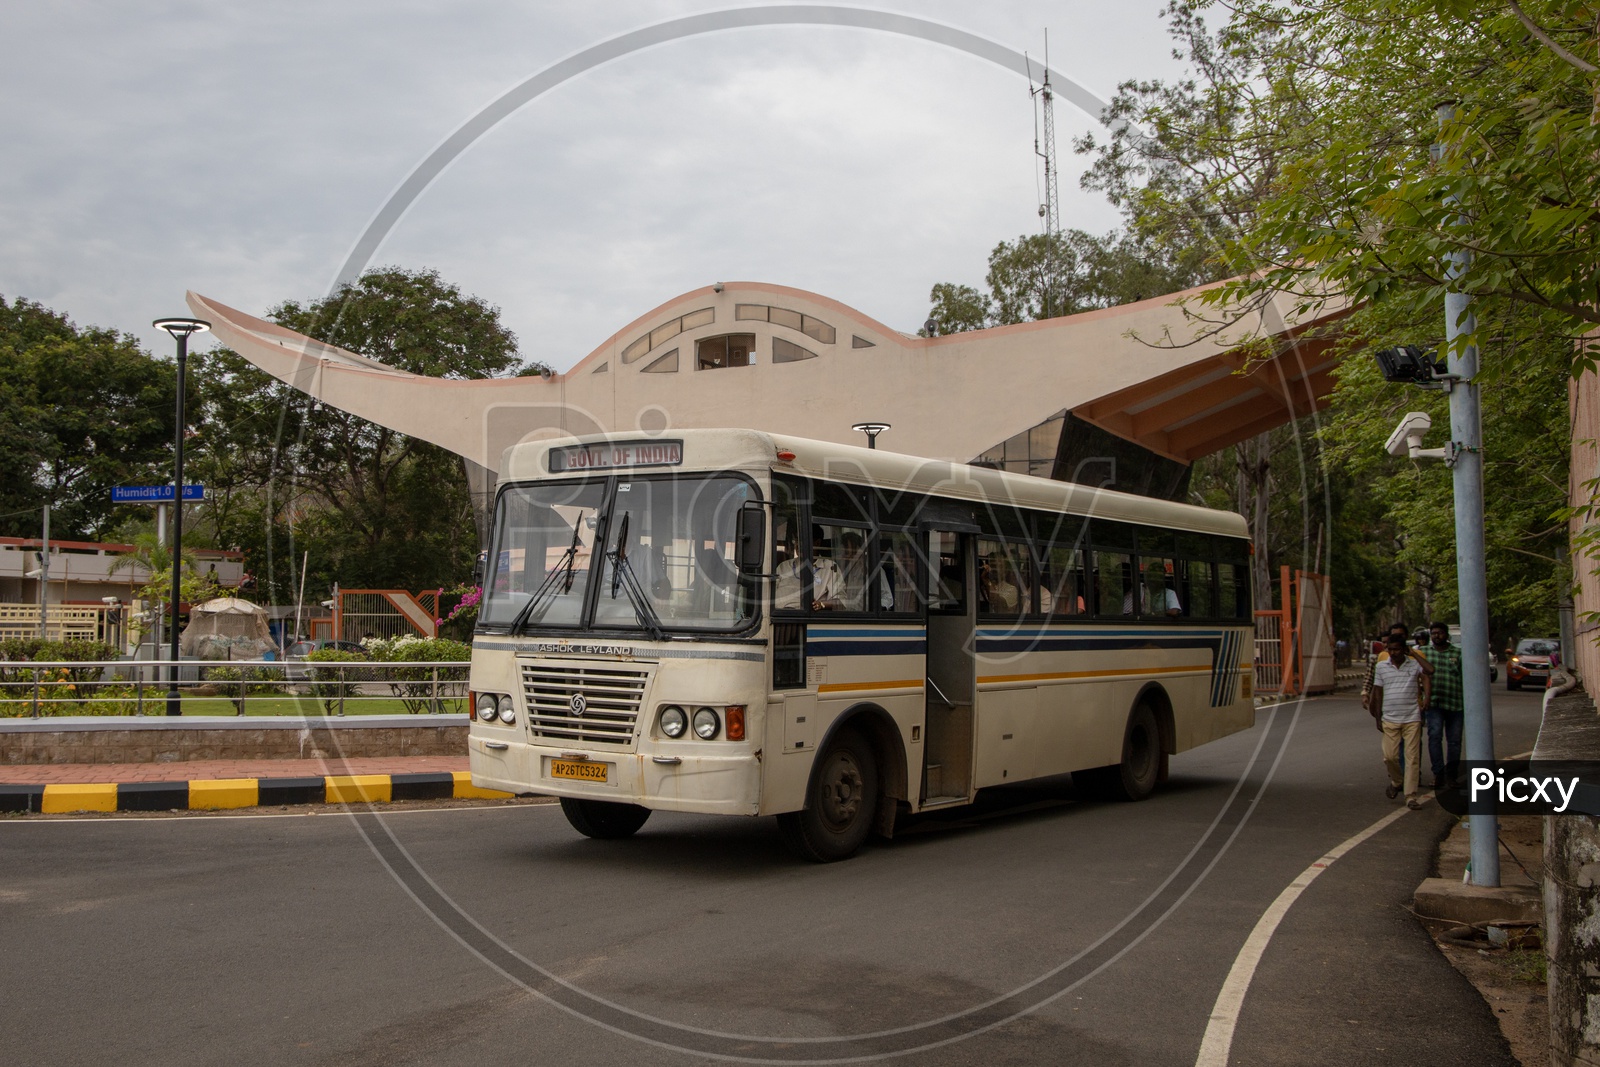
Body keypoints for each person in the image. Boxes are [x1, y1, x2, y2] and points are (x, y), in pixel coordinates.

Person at [1369, 632, 1432, 808]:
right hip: (1389, 717)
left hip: (1412, 717)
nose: (1394, 653)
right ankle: (1397, 781)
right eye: (1390, 649)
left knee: (1412, 758)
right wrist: (1377, 716)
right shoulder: (1382, 667)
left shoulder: (1414, 665)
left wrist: (1414, 655)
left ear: (1404, 649)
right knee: (1390, 757)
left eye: (1397, 649)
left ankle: (1410, 796)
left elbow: (1430, 670)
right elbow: (1378, 691)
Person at [1420, 620, 1464, 789]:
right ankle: (1438, 773)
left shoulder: (1457, 653)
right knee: (1435, 736)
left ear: (1447, 635)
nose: (1436, 636)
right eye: (1433, 633)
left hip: (1455, 703)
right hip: (1434, 703)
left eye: (1439, 633)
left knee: (1454, 741)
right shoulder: (1424, 653)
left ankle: (1451, 776)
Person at [774, 526, 842, 610]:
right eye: (796, 540)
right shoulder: (784, 566)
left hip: (805, 618)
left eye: (802, 540)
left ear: (817, 543)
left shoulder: (830, 567)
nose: (798, 545)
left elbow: (840, 600)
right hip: (778, 616)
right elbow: (768, 593)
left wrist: (821, 604)